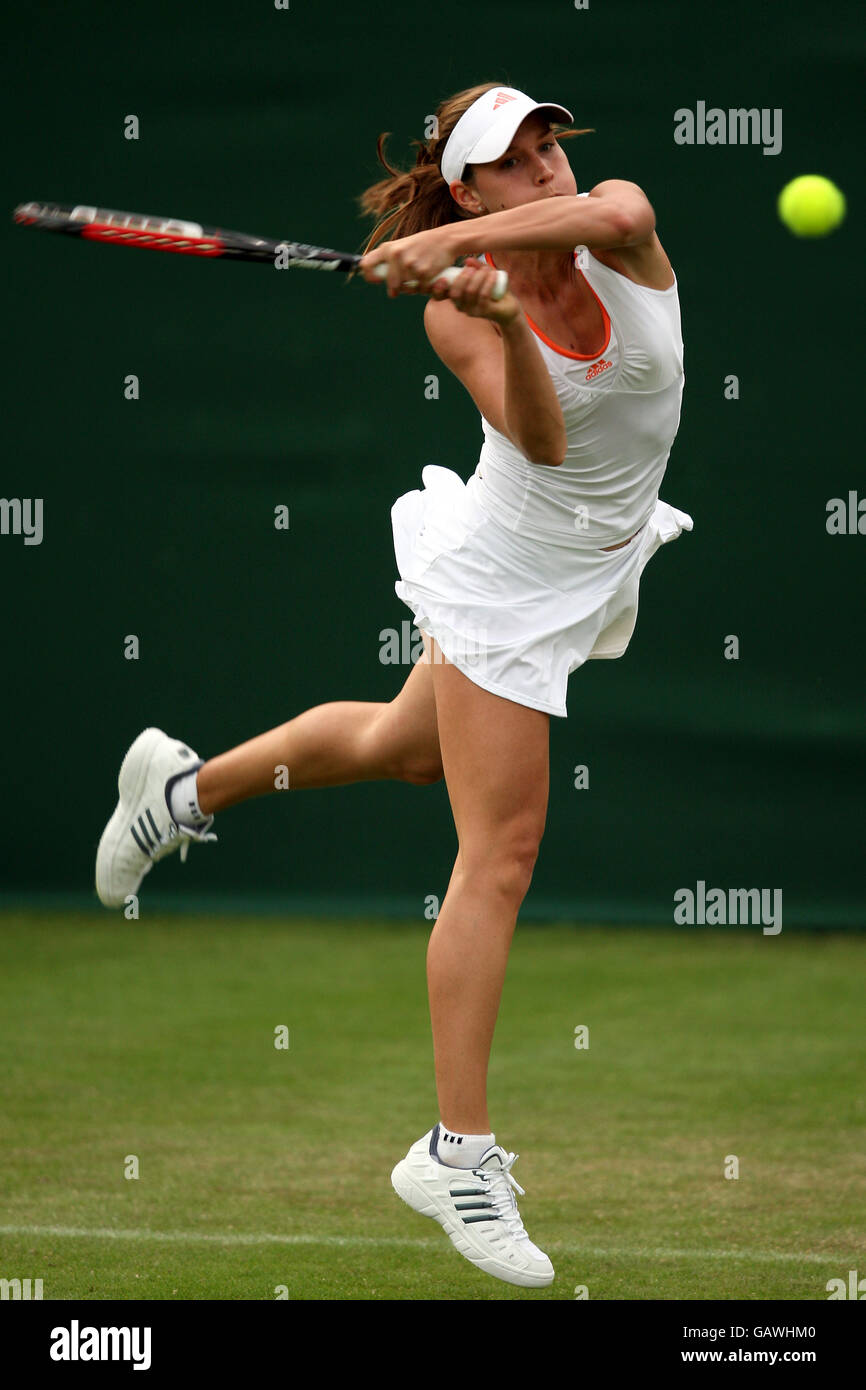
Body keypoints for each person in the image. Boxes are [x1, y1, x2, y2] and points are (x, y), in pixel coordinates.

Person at [95, 81, 692, 1291]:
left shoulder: (617, 220)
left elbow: (599, 210)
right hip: (505, 578)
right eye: (513, 162)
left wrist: (449, 243)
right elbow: (542, 442)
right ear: (468, 180)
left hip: (594, 559)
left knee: (395, 743)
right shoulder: (455, 318)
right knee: (501, 850)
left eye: (547, 146)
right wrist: (498, 317)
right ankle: (453, 1154)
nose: (548, 170)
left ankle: (178, 790)